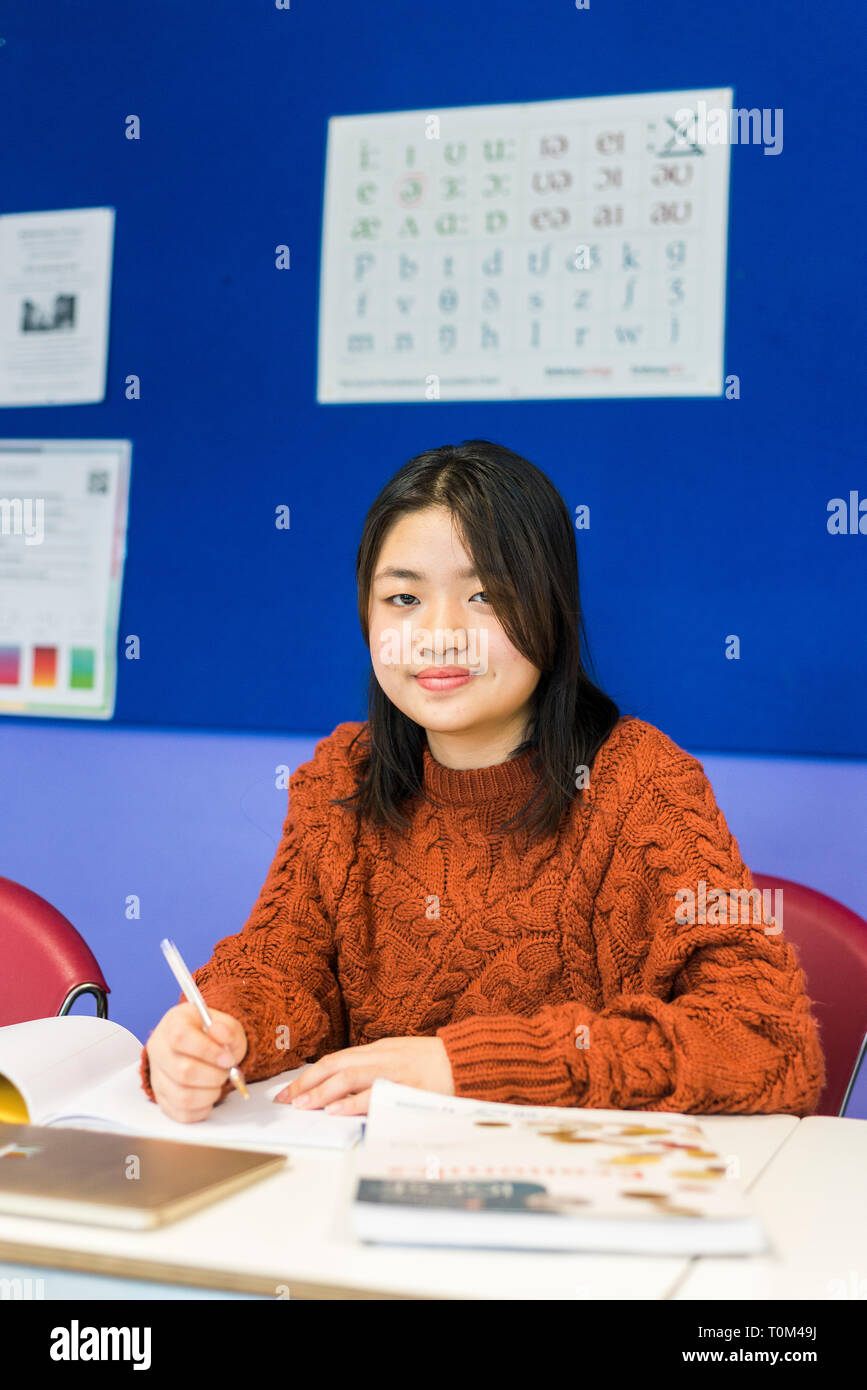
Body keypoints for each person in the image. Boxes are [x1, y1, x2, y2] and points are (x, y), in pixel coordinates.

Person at [140, 439, 825, 1123]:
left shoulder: (646, 786)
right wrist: (222, 1030)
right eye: (403, 597)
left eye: (485, 595)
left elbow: (768, 1043)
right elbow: (281, 970)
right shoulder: (341, 780)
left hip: (572, 1203)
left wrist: (461, 1065)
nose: (439, 635)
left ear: (549, 610)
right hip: (361, 1202)